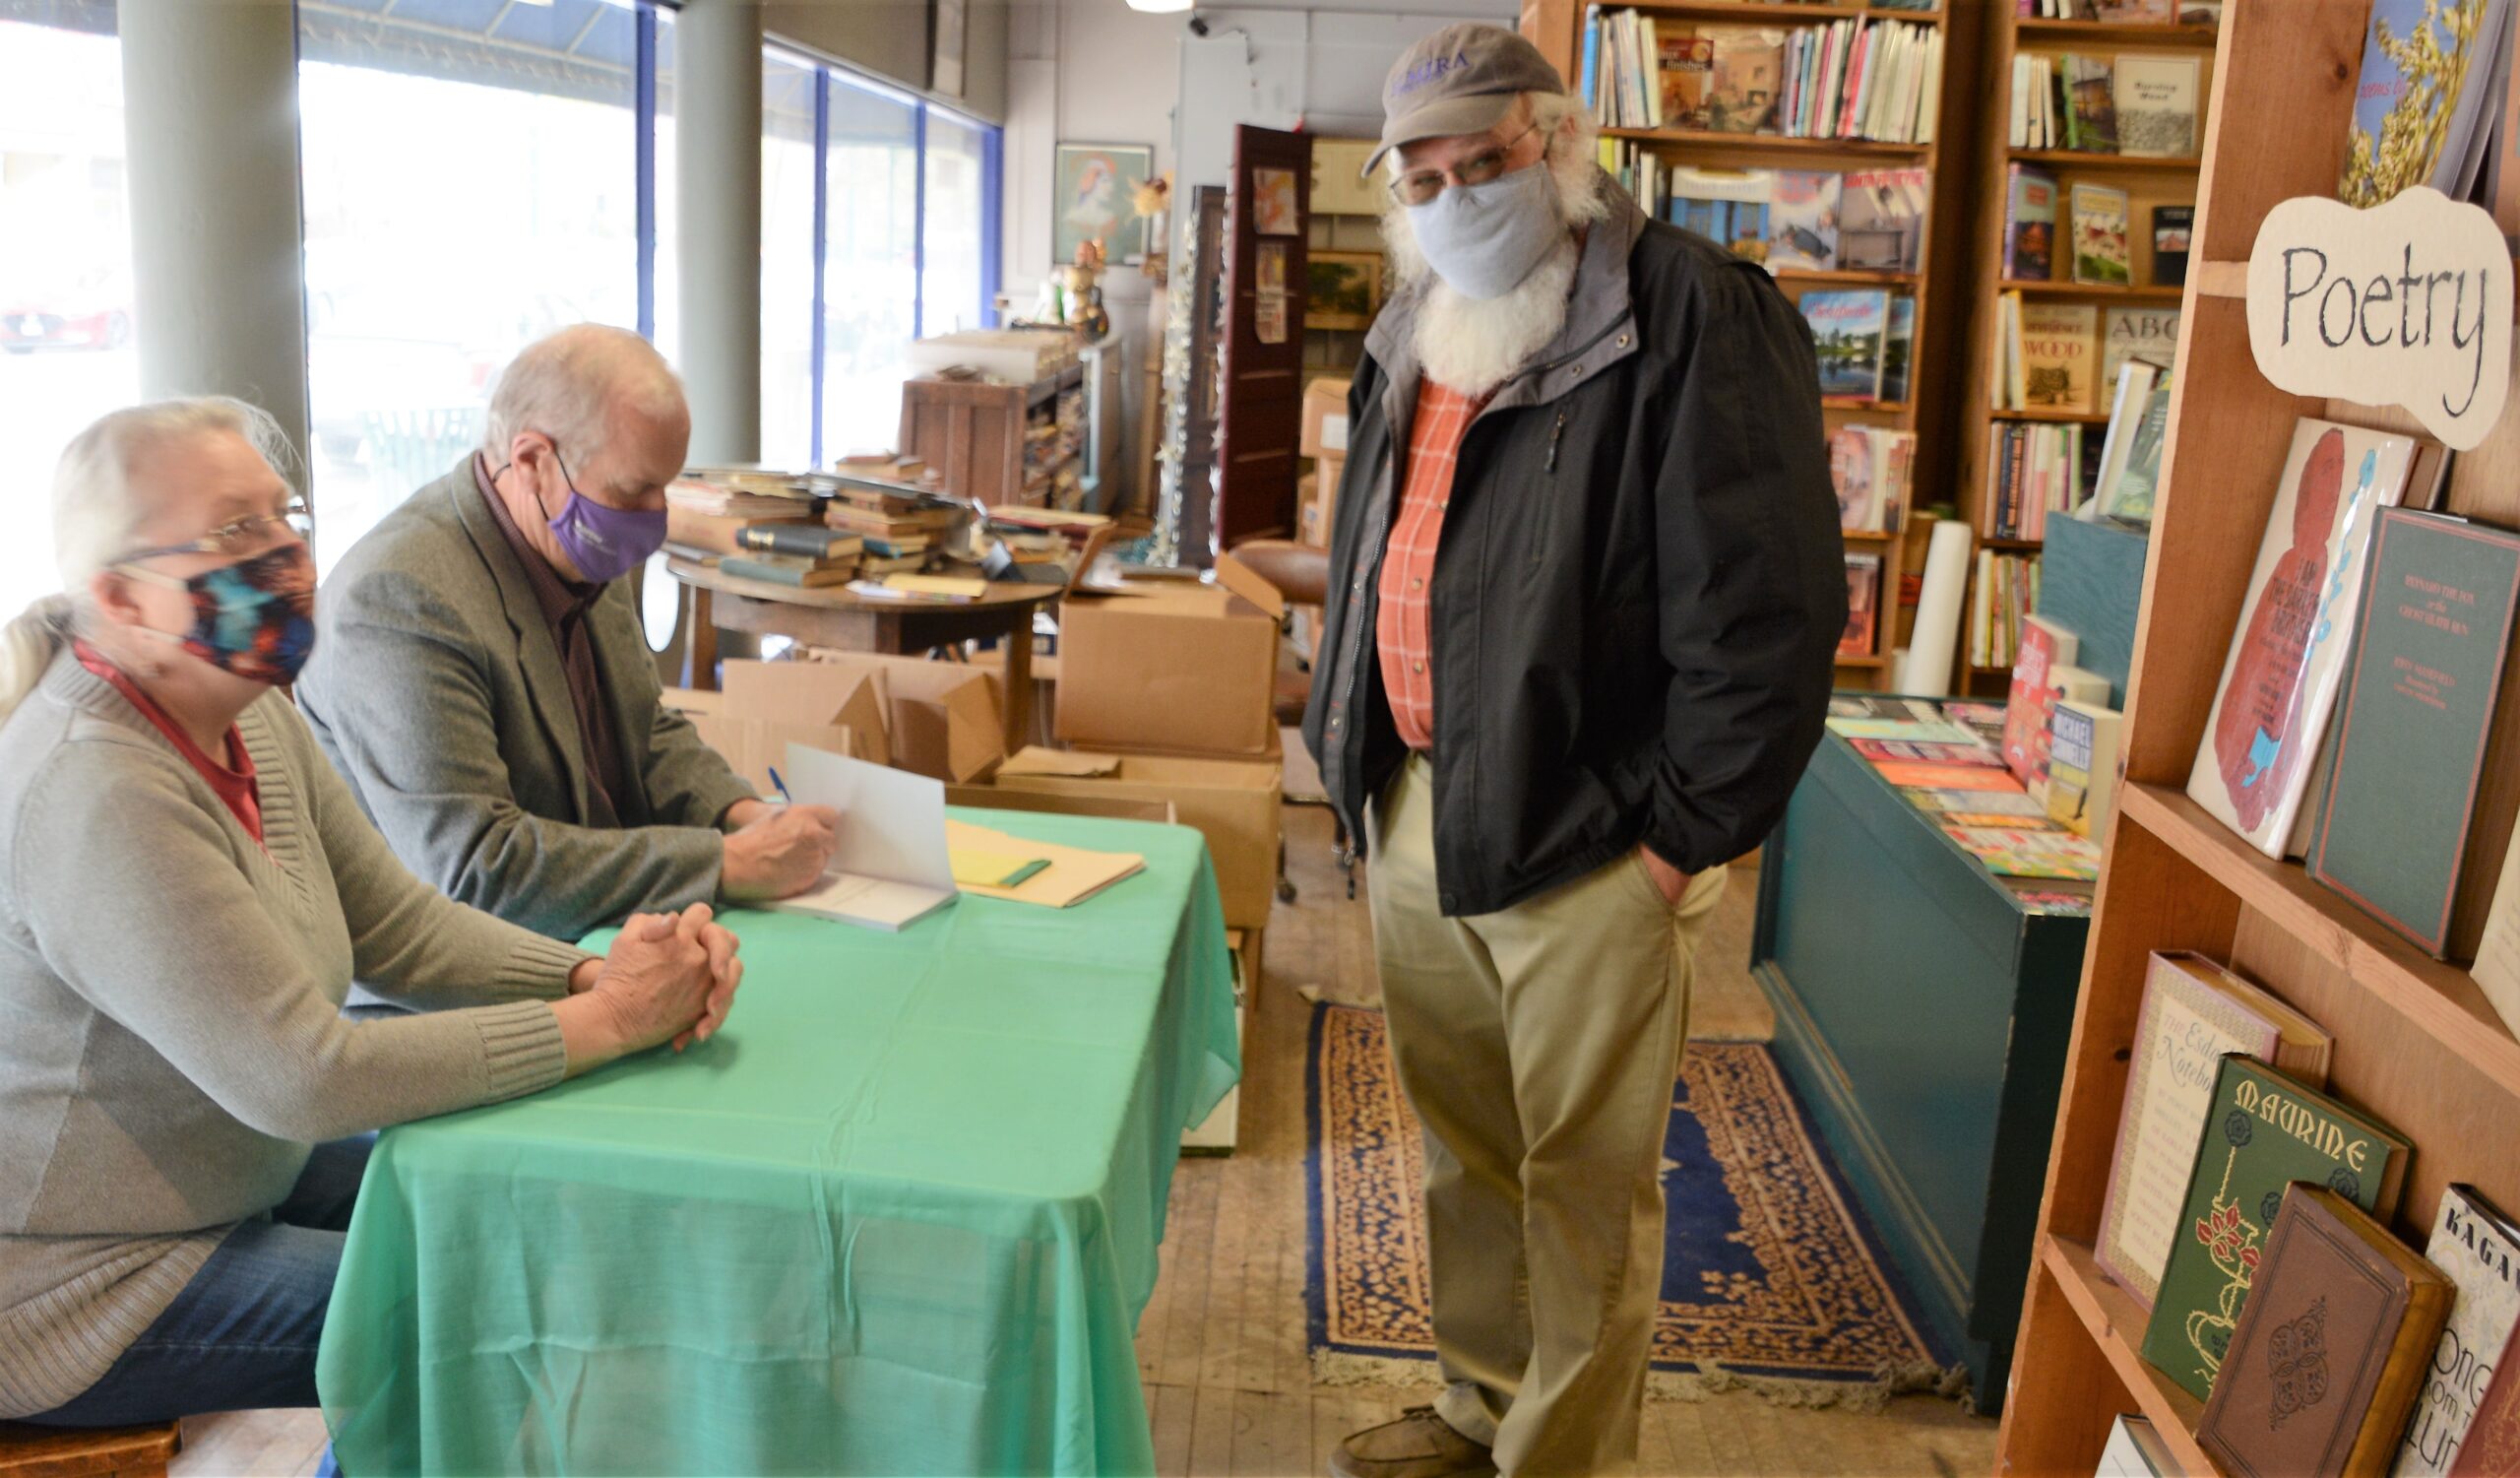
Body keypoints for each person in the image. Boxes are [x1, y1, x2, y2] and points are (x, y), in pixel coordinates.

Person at [1302, 25, 1845, 1478]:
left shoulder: (1694, 314)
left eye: (1486, 158)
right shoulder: (1414, 317)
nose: (1457, 193)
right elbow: (1378, 553)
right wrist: (1352, 752)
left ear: (1560, 136)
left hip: (1598, 841)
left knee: (1585, 1191)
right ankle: (1482, 1408)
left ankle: (1560, 1458)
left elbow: (1770, 616)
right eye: (1423, 173)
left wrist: (1675, 843)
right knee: (1466, 1155)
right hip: (1422, 806)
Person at [0, 398, 745, 1428]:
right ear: (122, 596)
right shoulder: (98, 789)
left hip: (229, 1176)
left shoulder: (247, 703)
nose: (284, 553)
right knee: (510, 1314)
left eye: (282, 514)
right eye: (233, 532)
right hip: (82, 1285)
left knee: (527, 1207)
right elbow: (304, 1077)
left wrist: (592, 974)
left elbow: (399, 927)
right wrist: (613, 1019)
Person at [295, 324, 842, 940]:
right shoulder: (399, 600)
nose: (657, 519)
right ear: (532, 462)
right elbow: (479, 871)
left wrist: (742, 816)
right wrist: (726, 862)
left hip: (602, 929)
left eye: (667, 487)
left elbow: (644, 732)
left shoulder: (571, 536)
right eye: (635, 490)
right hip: (471, 987)